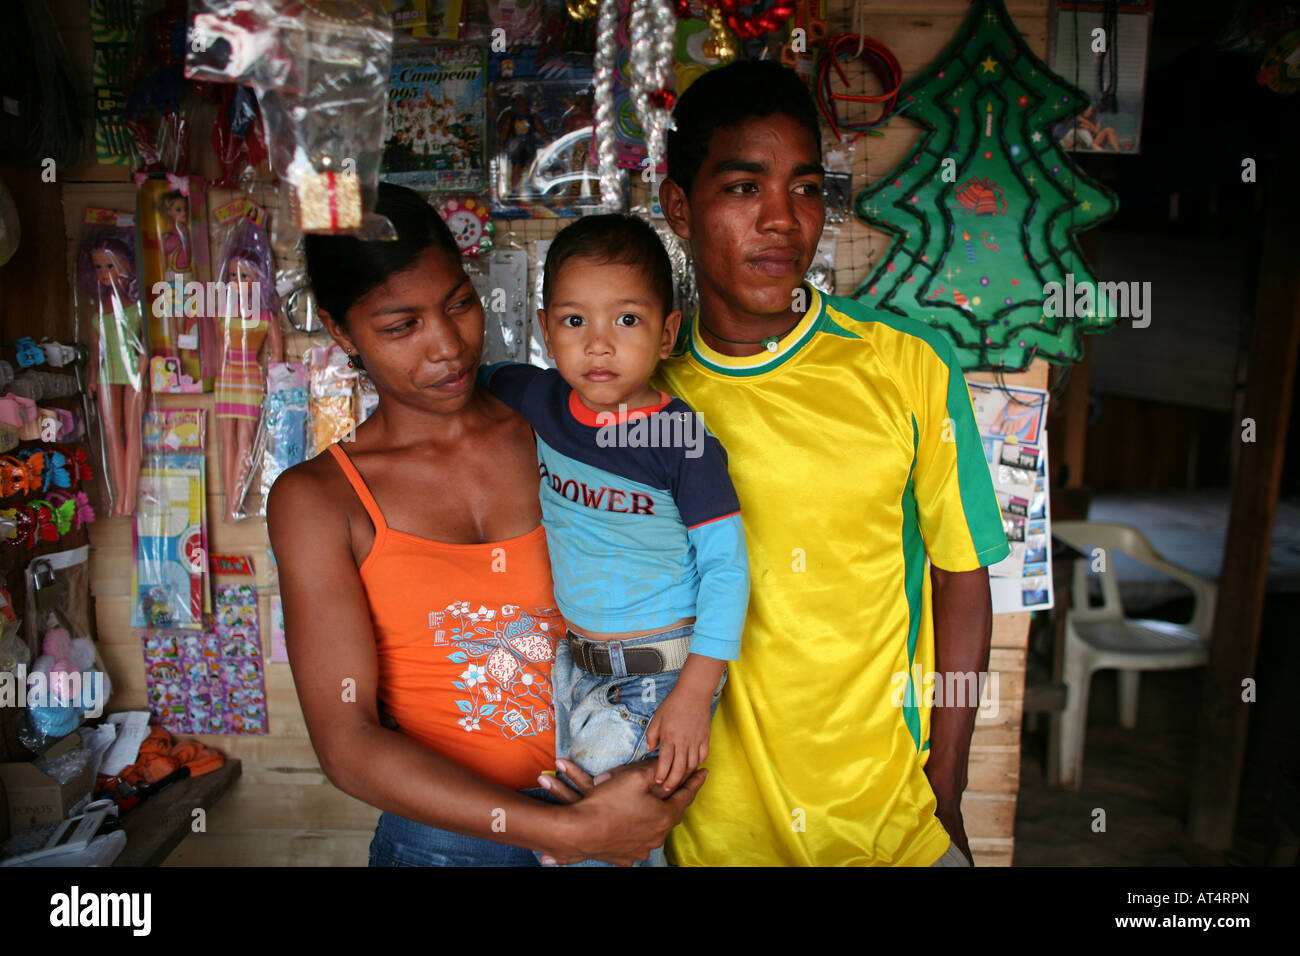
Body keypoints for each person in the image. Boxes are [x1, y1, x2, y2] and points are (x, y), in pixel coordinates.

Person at [267, 184, 706, 867]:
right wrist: (565, 834)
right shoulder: (321, 500)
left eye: (459, 304)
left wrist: (647, 772)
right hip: (445, 843)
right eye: (400, 326)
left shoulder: (555, 424)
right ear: (341, 331)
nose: (447, 346)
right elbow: (347, 744)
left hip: (605, 802)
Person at [654, 60, 1011, 866]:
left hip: (890, 830)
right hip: (704, 839)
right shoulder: (647, 396)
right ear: (680, 206)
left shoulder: (906, 365)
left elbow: (961, 579)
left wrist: (946, 786)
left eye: (807, 189)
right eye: (745, 188)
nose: (782, 220)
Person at [480, 214, 749, 866]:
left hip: (657, 685)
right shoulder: (538, 398)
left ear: (667, 333)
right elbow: (470, 380)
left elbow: (727, 570)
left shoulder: (680, 442)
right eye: (575, 322)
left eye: (626, 321)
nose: (598, 345)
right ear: (545, 331)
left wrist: (693, 694)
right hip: (573, 671)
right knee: (595, 838)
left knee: (591, 842)